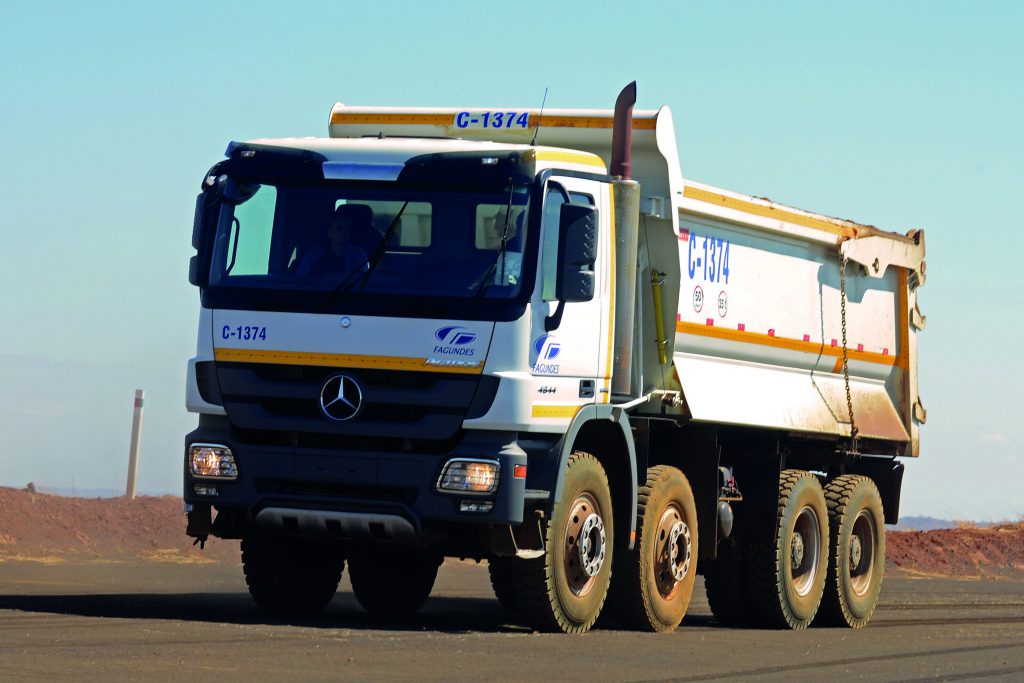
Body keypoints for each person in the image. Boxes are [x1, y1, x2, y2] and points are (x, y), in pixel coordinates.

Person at [296, 204, 373, 277]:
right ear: (329, 231)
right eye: (339, 228)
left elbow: (365, 283)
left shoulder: (359, 254)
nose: (344, 232)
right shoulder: (315, 253)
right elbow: (300, 279)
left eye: (348, 228)